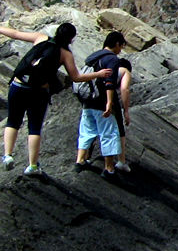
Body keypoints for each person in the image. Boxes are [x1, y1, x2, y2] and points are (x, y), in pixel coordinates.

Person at [1, 22, 112, 176]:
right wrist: (98, 74)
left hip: (18, 85)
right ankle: (32, 166)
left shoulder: (41, 38)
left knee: (13, 121)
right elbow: (76, 77)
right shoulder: (65, 53)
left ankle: (7, 155)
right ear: (71, 39)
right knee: (34, 128)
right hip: (39, 91)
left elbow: (15, 34)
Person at [75, 31, 126, 177]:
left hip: (87, 100)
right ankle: (109, 168)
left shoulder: (93, 57)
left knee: (86, 132)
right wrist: (109, 103)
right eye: (121, 46)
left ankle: (80, 161)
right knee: (108, 133)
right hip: (100, 101)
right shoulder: (112, 59)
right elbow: (109, 83)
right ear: (117, 44)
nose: (120, 49)